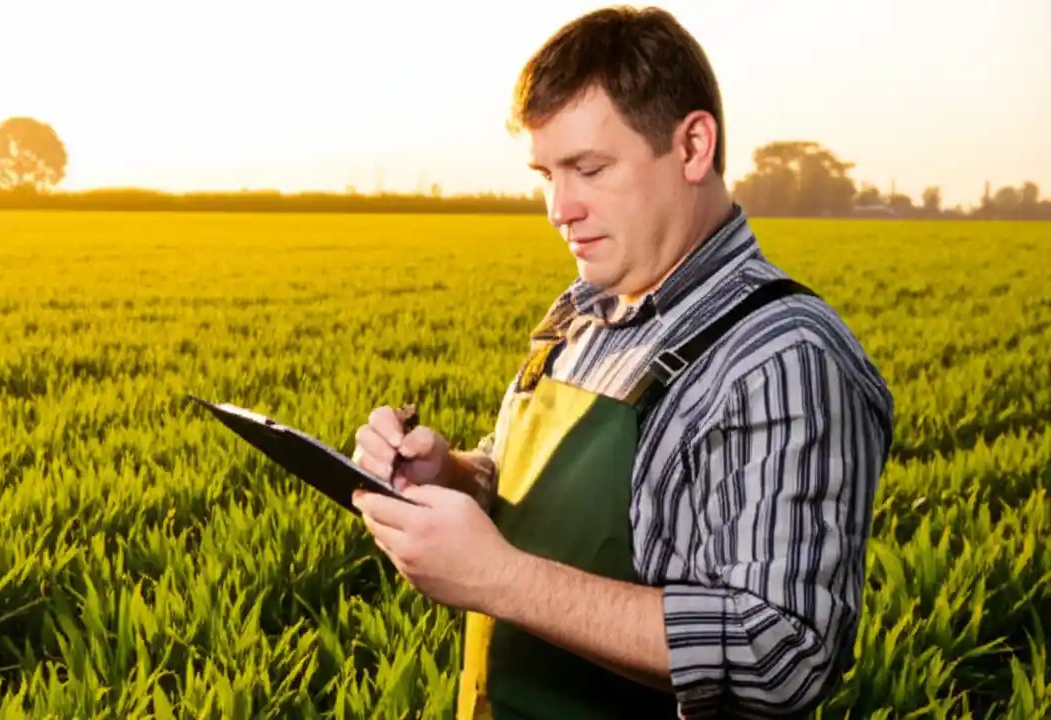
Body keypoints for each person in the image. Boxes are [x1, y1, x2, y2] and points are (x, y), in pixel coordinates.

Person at [349, 5, 894, 718]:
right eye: (547, 173)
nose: (559, 208)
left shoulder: (780, 357)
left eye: (589, 168)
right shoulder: (584, 310)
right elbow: (524, 484)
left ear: (694, 146)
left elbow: (781, 654)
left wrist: (500, 579)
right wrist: (449, 474)